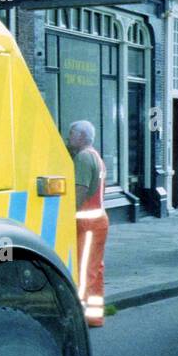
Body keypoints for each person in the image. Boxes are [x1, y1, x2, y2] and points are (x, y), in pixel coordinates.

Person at [67, 120, 108, 327]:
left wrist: (67, 213)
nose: (68, 136)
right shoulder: (96, 156)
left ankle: (79, 319)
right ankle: (94, 315)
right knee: (95, 270)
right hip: (98, 221)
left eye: (72, 133)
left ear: (82, 136)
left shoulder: (82, 158)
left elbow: (79, 191)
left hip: (87, 223)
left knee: (84, 272)